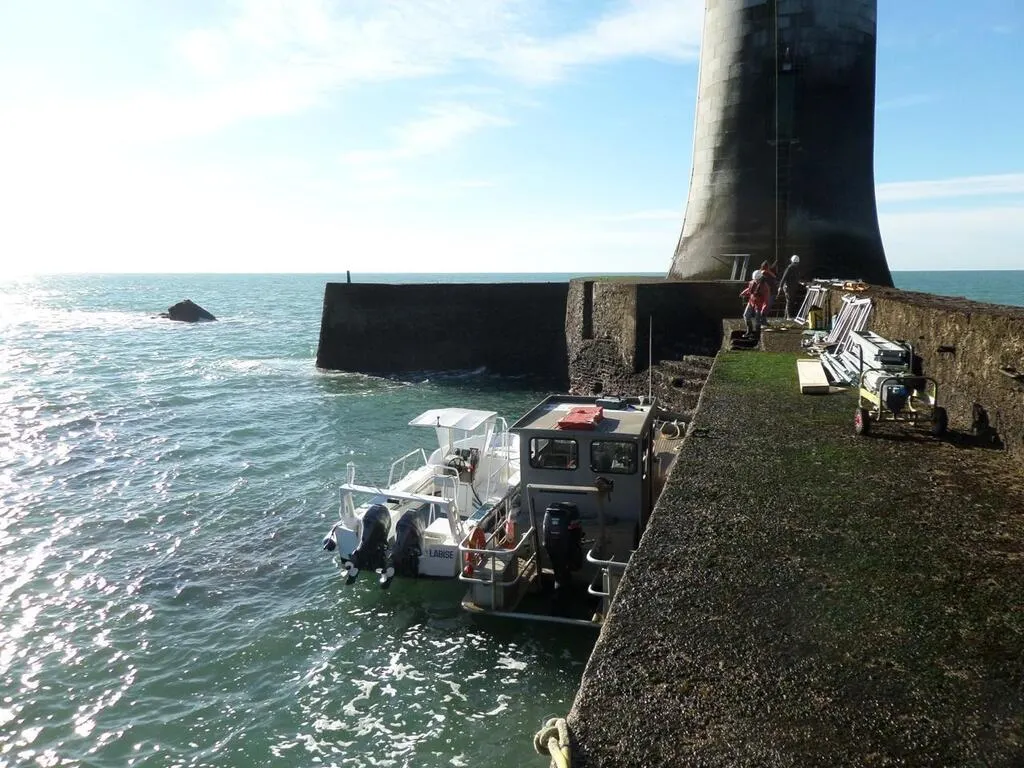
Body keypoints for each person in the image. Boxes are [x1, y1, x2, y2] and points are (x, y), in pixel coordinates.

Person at [740, 269, 771, 337]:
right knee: (746, 315)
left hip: (759, 304)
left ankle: (757, 335)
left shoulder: (765, 287)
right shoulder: (752, 282)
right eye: (755, 279)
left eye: (757, 280)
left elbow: (766, 299)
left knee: (757, 320)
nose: (756, 281)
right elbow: (749, 289)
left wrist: (763, 309)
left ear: (760, 278)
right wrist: (743, 293)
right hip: (751, 301)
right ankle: (749, 331)